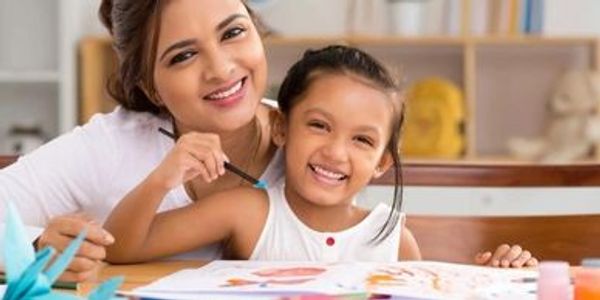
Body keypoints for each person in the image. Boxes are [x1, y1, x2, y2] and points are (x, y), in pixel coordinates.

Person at [104, 45, 538, 267]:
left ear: (383, 162)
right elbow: (121, 249)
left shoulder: (392, 239)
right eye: (319, 125)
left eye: (362, 141)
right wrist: (163, 178)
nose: (335, 152)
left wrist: (497, 279)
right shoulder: (248, 212)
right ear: (280, 127)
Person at [0, 0, 283, 282]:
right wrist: (32, 247)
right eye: (183, 56)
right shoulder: (110, 147)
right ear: (150, 87)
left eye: (233, 32)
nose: (221, 70)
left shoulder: (313, 138)